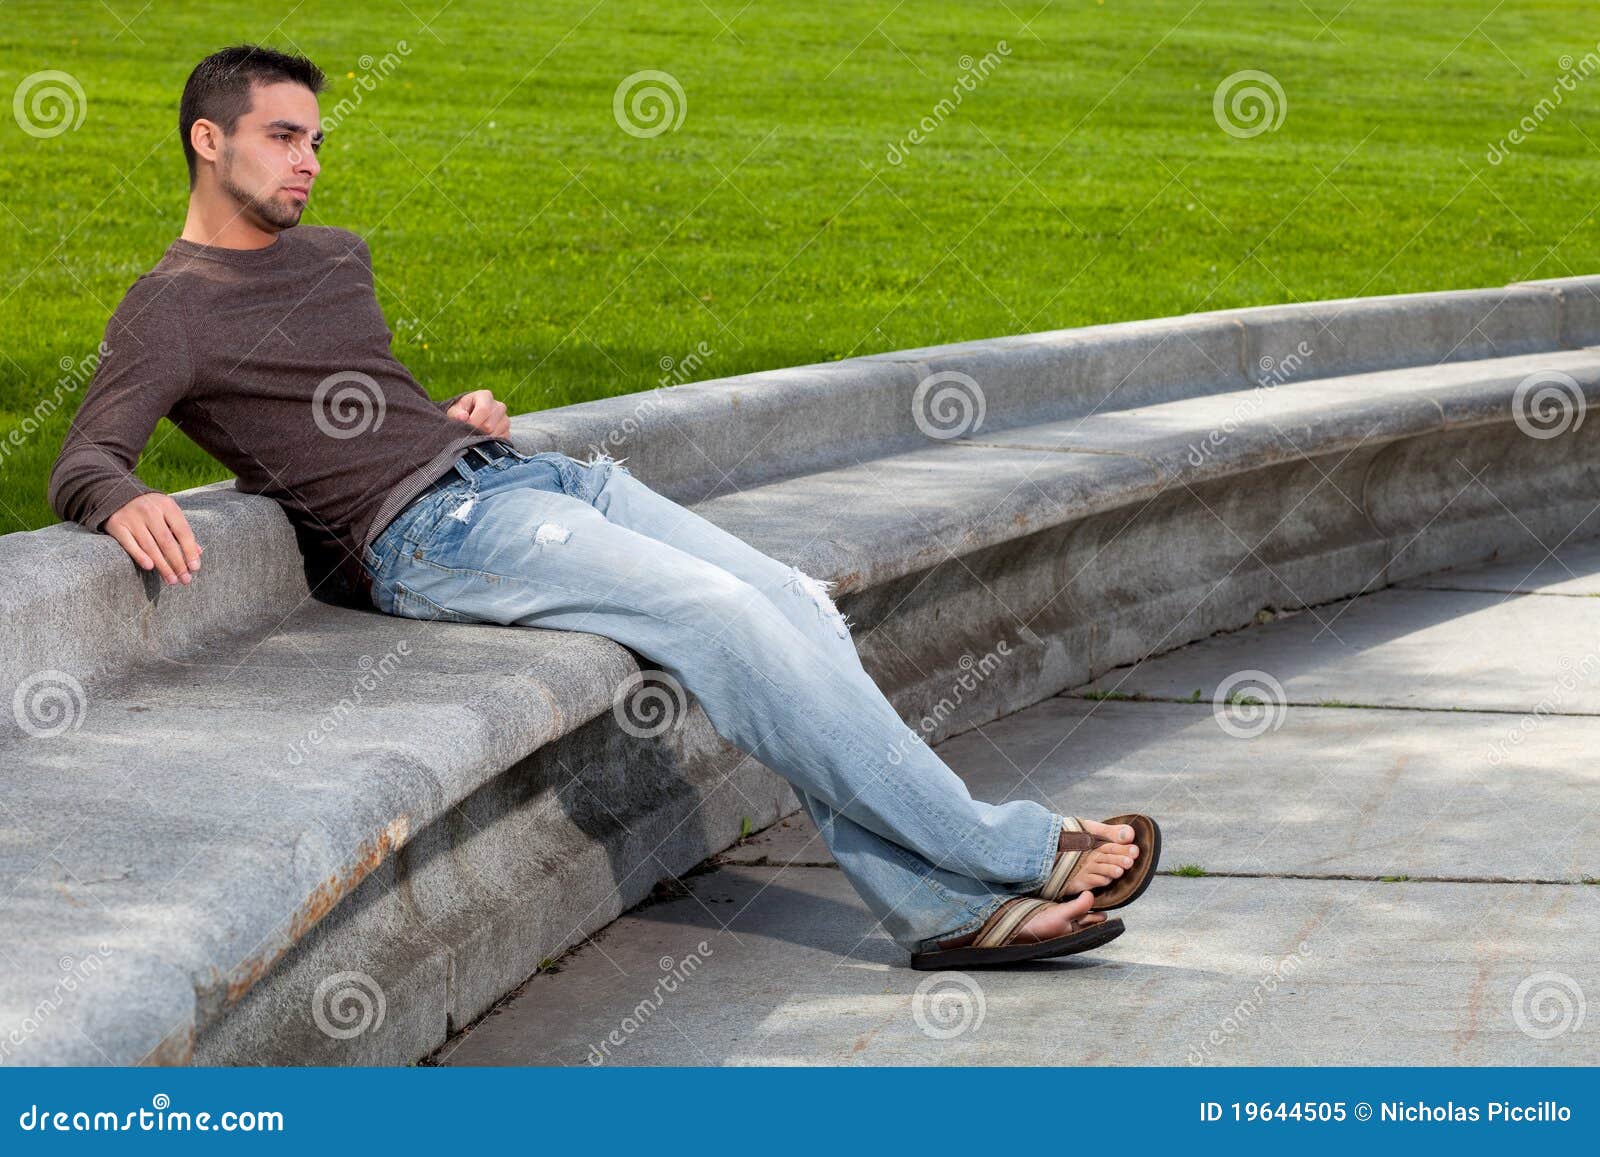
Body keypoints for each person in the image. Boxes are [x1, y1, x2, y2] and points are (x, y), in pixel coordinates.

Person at [48, 44, 1155, 969]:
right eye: (285, 136)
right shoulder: (172, 307)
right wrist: (120, 493)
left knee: (795, 602)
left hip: (528, 476)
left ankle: (945, 915)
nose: (311, 162)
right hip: (441, 536)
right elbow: (87, 451)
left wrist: (444, 414)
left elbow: (344, 408)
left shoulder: (336, 257)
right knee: (720, 620)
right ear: (209, 138)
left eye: (318, 140)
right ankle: (1006, 847)